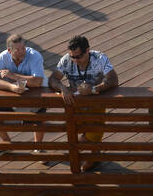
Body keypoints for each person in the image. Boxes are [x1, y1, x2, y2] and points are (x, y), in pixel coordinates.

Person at [49, 35, 119, 169]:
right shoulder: (66, 60)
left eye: (78, 56)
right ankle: (94, 155)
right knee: (78, 128)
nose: (75, 60)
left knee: (92, 132)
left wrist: (93, 89)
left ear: (87, 51)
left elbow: (113, 80)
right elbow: (53, 79)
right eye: (72, 57)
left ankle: (82, 153)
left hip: (96, 101)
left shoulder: (99, 58)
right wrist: (63, 88)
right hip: (76, 102)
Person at [0, 33, 48, 150]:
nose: (22, 51)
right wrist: (11, 87)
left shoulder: (35, 56)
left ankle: (38, 147)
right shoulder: (2, 57)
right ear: (9, 51)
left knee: (39, 118)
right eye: (17, 49)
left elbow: (37, 82)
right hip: (12, 95)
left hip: (35, 94)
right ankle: (6, 142)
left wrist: (12, 75)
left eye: (23, 48)